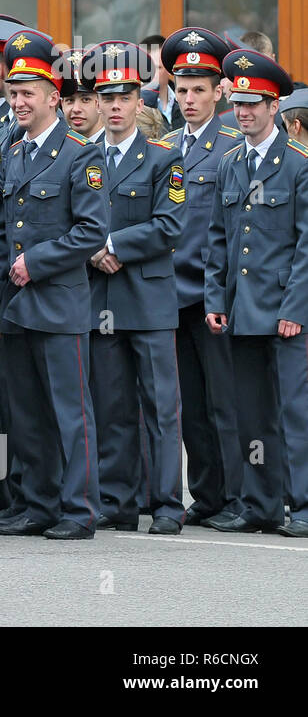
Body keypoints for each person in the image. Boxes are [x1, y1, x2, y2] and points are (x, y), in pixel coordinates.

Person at [0, 29, 107, 540]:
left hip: (59, 303)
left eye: (27, 93)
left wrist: (38, 261)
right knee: (27, 412)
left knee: (70, 412)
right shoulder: (12, 151)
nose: (18, 102)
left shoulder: (80, 153)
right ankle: (38, 503)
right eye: (13, 92)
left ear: (53, 96)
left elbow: (91, 231)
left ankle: (78, 510)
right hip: (16, 306)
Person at [81, 40, 185, 535]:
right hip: (100, 300)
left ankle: (166, 504)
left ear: (138, 102)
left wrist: (112, 245)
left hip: (147, 299)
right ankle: (116, 500)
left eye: (124, 98)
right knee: (112, 405)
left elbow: (170, 224)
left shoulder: (164, 157)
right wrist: (90, 249)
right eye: (107, 98)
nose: (116, 107)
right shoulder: (85, 158)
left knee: (161, 407)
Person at [204, 47, 308, 537]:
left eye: (254, 104)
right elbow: (218, 240)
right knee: (251, 414)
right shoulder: (230, 163)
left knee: (296, 410)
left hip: (288, 312)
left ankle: (303, 503)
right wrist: (214, 302)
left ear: (274, 109)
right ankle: (260, 502)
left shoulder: (298, 164)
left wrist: (296, 308)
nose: (243, 112)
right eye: (238, 104)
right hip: (243, 311)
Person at [157, 26, 242, 527]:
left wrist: (221, 292)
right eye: (181, 89)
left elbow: (231, 229)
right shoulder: (166, 146)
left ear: (219, 92)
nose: (188, 99)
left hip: (214, 293)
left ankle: (238, 497)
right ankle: (207, 495)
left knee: (225, 402)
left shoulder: (232, 144)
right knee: (189, 403)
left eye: (198, 90)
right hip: (171, 292)